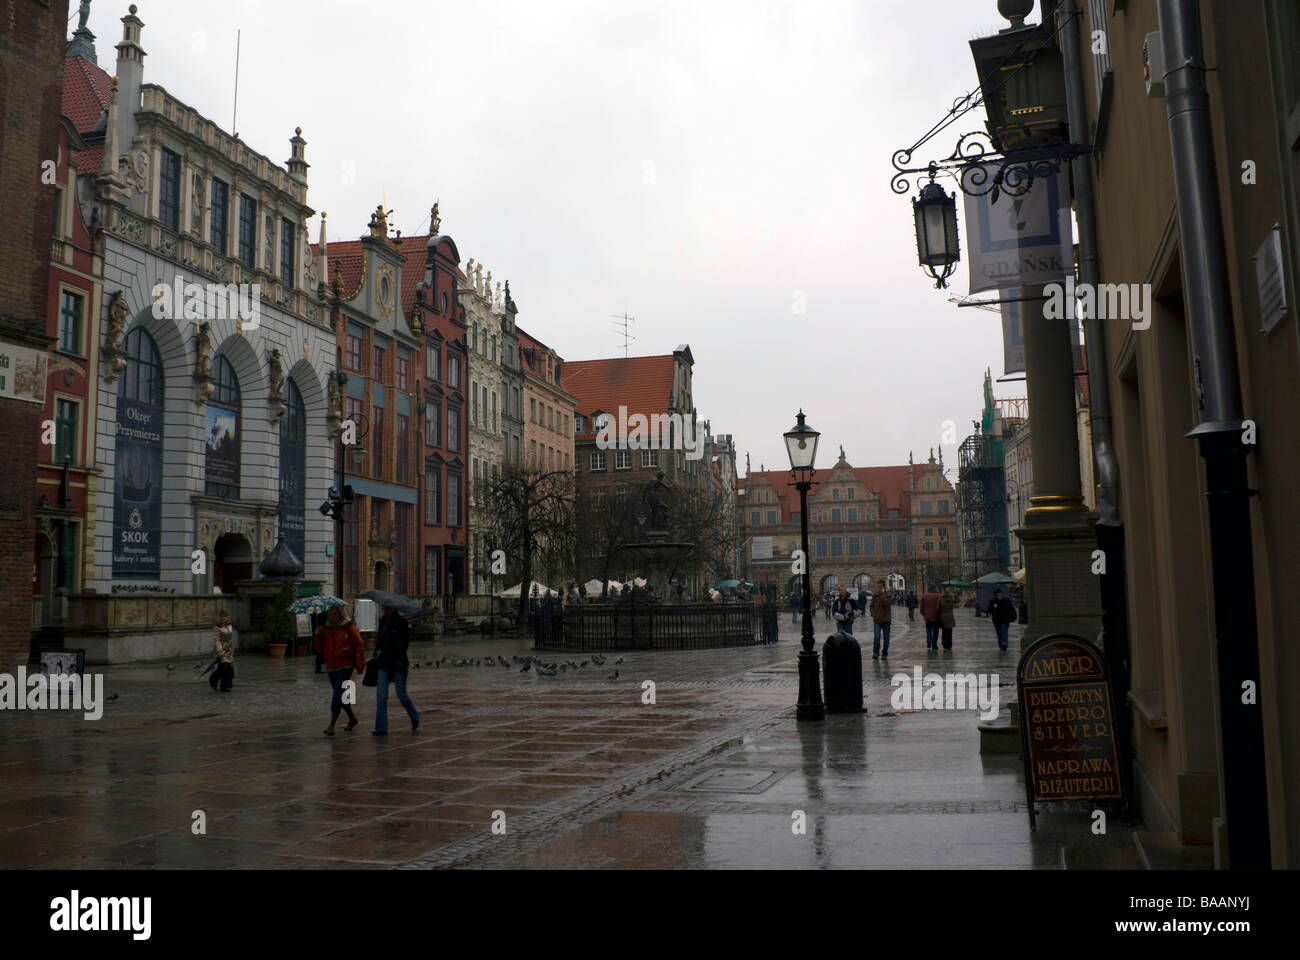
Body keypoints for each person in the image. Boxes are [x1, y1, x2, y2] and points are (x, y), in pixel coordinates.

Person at [314, 604, 365, 735]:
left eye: (335, 614)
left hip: (346, 665)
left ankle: (331, 725)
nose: (332, 617)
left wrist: (359, 665)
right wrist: (317, 636)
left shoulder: (349, 627)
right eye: (330, 614)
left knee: (337, 694)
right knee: (343, 696)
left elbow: (359, 645)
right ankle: (352, 719)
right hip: (331, 667)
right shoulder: (325, 630)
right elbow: (319, 649)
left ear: (340, 615)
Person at [372, 605, 419, 736]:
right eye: (384, 608)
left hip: (398, 663)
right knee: (381, 696)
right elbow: (379, 642)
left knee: (401, 695)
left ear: (393, 609)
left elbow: (404, 645)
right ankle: (381, 727)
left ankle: (414, 716)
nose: (384, 610)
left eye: (387, 608)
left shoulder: (402, 623)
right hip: (384, 663)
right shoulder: (383, 622)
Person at [210, 610, 234, 692]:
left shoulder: (229, 624)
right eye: (222, 618)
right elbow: (217, 640)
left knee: (228, 668)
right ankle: (213, 680)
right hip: (220, 649)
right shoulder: (217, 627)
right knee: (223, 667)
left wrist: (230, 648)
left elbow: (230, 638)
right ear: (220, 618)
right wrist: (220, 651)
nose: (224, 619)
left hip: (228, 649)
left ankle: (226, 686)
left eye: (225, 617)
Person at [869, 579, 892, 659]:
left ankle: (884, 653)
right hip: (877, 620)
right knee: (877, 637)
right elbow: (871, 605)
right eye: (878, 586)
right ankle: (876, 653)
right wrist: (873, 614)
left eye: (880, 586)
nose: (879, 588)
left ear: (883, 587)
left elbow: (886, 603)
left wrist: (882, 594)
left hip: (886, 620)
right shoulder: (875, 595)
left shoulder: (888, 594)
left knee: (886, 640)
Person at [919, 585, 942, 650]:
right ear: (935, 589)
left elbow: (921, 607)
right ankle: (934, 644)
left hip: (927, 616)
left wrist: (923, 614)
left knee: (928, 629)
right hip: (936, 615)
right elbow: (941, 606)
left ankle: (929, 642)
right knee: (935, 630)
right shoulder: (939, 596)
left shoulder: (925, 596)